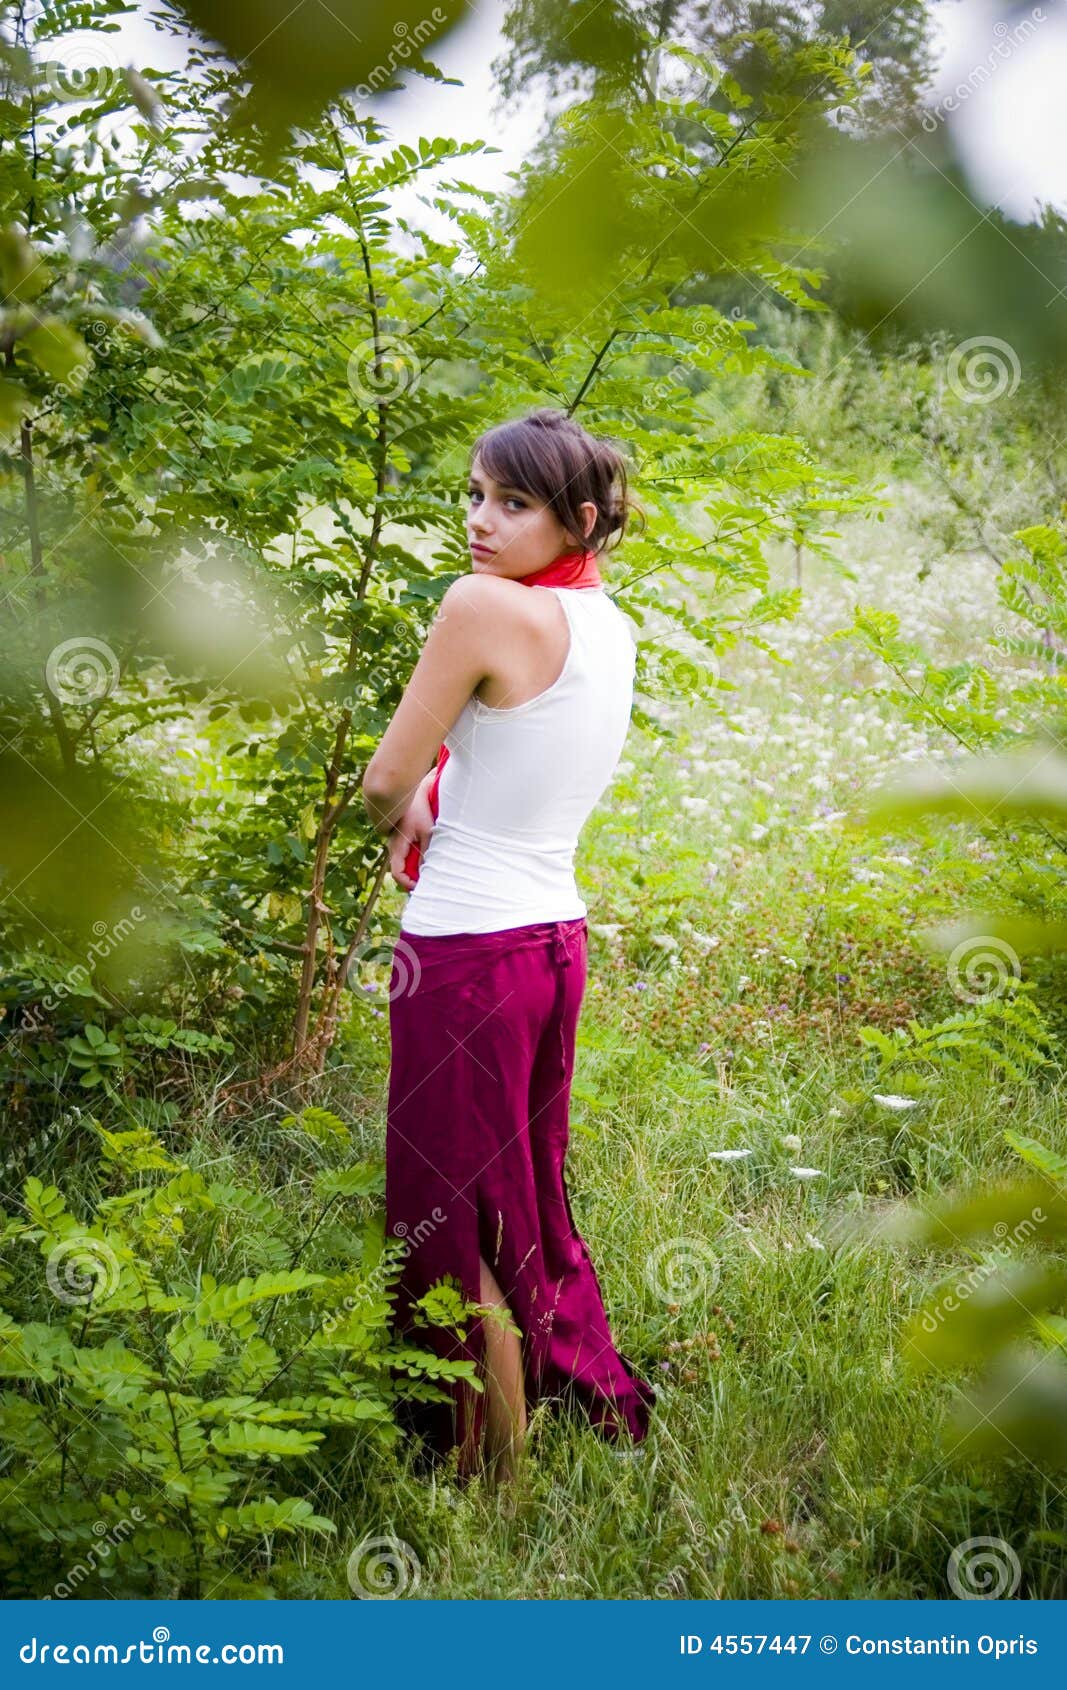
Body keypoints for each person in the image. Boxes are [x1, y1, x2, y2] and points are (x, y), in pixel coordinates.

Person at [361, 408, 656, 1487]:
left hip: (464, 952)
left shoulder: (480, 606)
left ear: (575, 516)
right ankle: (541, 1404)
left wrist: (403, 803)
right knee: (522, 1187)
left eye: (512, 502)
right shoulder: (604, 623)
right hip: (550, 942)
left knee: (449, 1206)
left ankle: (485, 1468)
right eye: (474, 495)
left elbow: (384, 780)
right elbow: (520, 763)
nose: (480, 522)